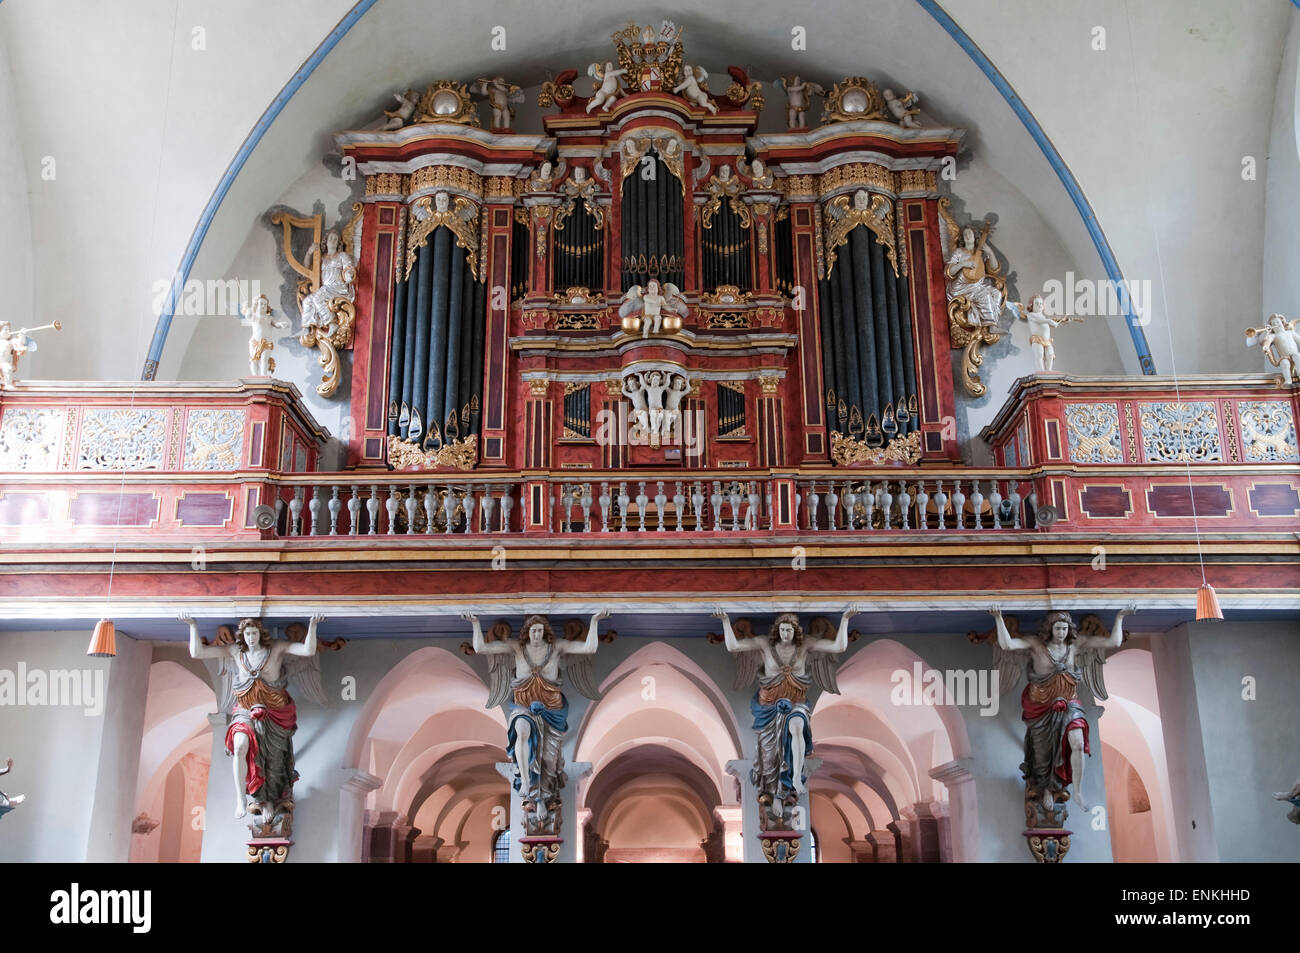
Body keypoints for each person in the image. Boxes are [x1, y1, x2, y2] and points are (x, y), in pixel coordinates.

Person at [990, 604, 1135, 814]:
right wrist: (998, 618)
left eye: (1065, 629)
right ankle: (1047, 788)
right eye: (1057, 628)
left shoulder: (1075, 646)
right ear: (1049, 629)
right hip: (1041, 706)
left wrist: (1120, 617)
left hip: (1070, 702)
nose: (1061, 633)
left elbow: (1114, 641)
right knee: (1043, 755)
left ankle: (1077, 790)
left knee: (1077, 743)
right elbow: (1007, 644)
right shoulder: (1036, 645)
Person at [182, 614, 324, 818]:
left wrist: (313, 625)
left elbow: (307, 650)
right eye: (247, 633)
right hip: (245, 710)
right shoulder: (235, 651)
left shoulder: (276, 648)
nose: (250, 637)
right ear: (242, 635)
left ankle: (268, 800)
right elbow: (198, 652)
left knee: (273, 761)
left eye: (254, 633)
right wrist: (193, 626)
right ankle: (240, 800)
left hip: (274, 712)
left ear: (260, 633)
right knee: (240, 747)